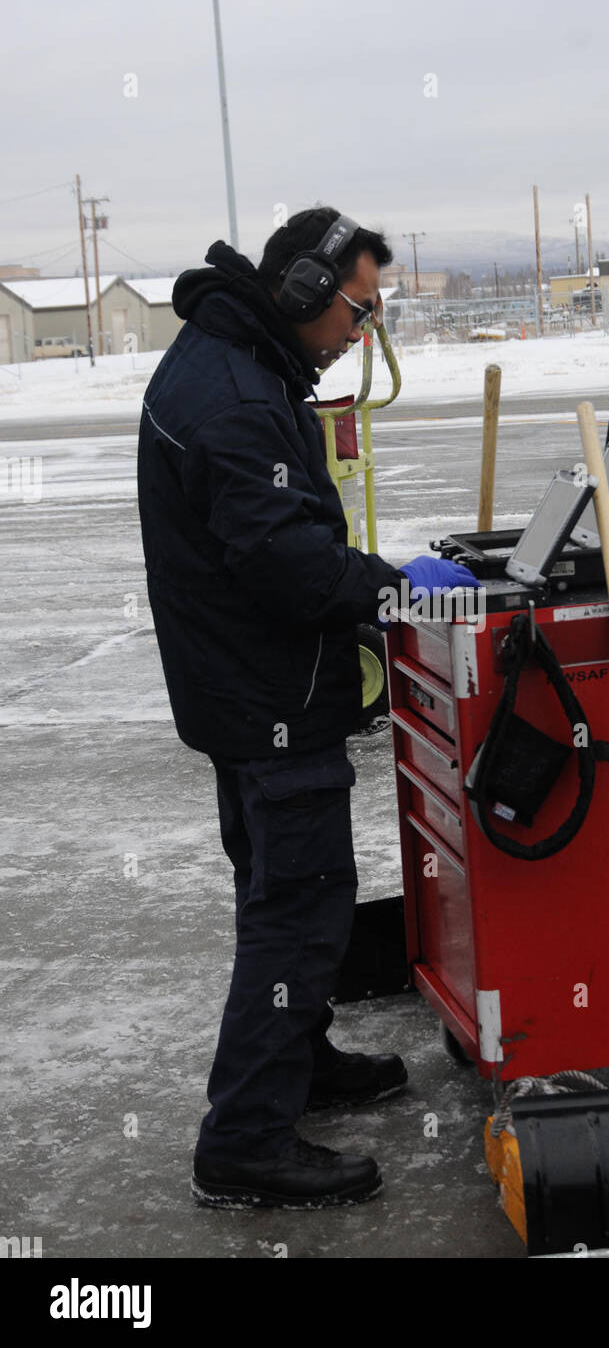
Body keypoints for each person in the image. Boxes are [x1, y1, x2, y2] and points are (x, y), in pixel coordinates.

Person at [137, 206, 480, 1210]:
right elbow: (285, 564)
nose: (359, 333)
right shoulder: (239, 396)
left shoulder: (228, 360)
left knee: (275, 895)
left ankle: (300, 1055)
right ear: (301, 294)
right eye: (357, 310)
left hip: (240, 690)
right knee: (299, 908)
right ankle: (244, 1135)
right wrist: (398, 593)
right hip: (268, 700)